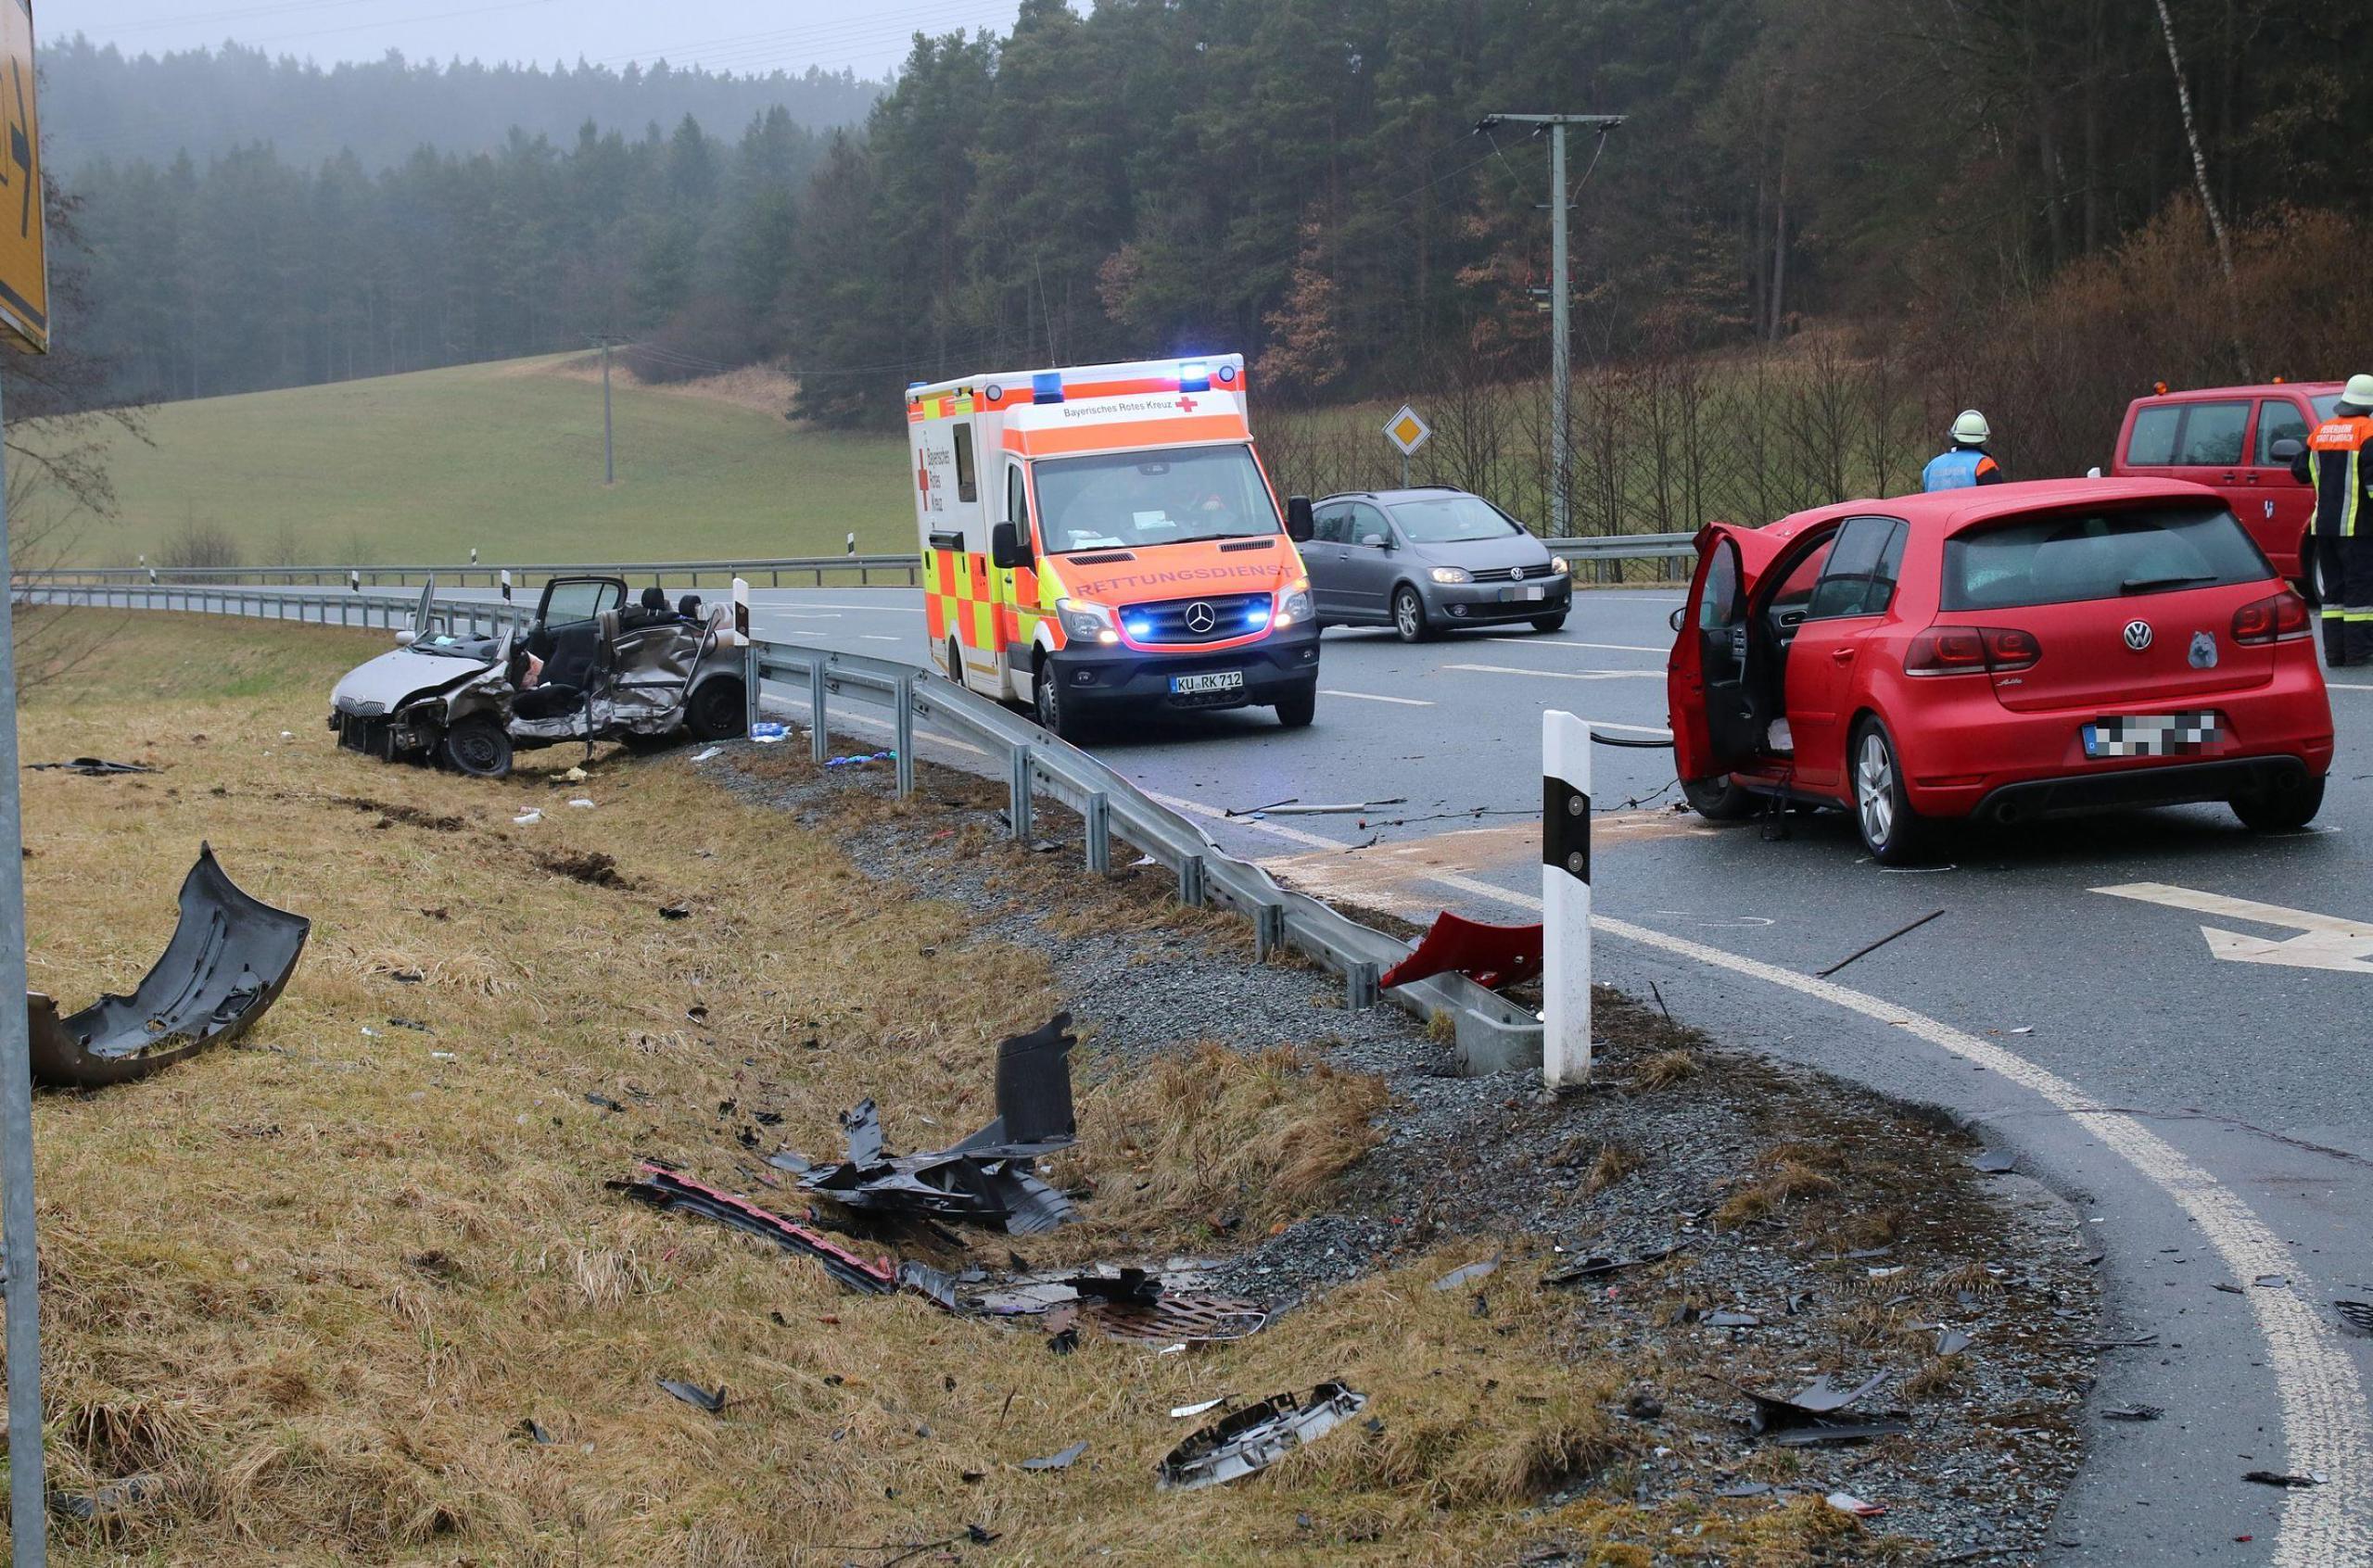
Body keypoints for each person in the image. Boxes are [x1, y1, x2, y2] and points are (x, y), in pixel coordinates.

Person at [2290, 373, 2373, 666]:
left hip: (2323, 527)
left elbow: (2299, 470)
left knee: (2333, 594)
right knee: (2360, 592)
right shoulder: (2369, 433)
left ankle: (2335, 654)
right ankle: (2359, 654)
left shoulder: (2321, 433)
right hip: (2359, 529)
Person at [1922, 410, 2006, 492]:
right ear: (1983, 438)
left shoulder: (1932, 466)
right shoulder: (1984, 465)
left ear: (1954, 436)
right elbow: (1996, 500)